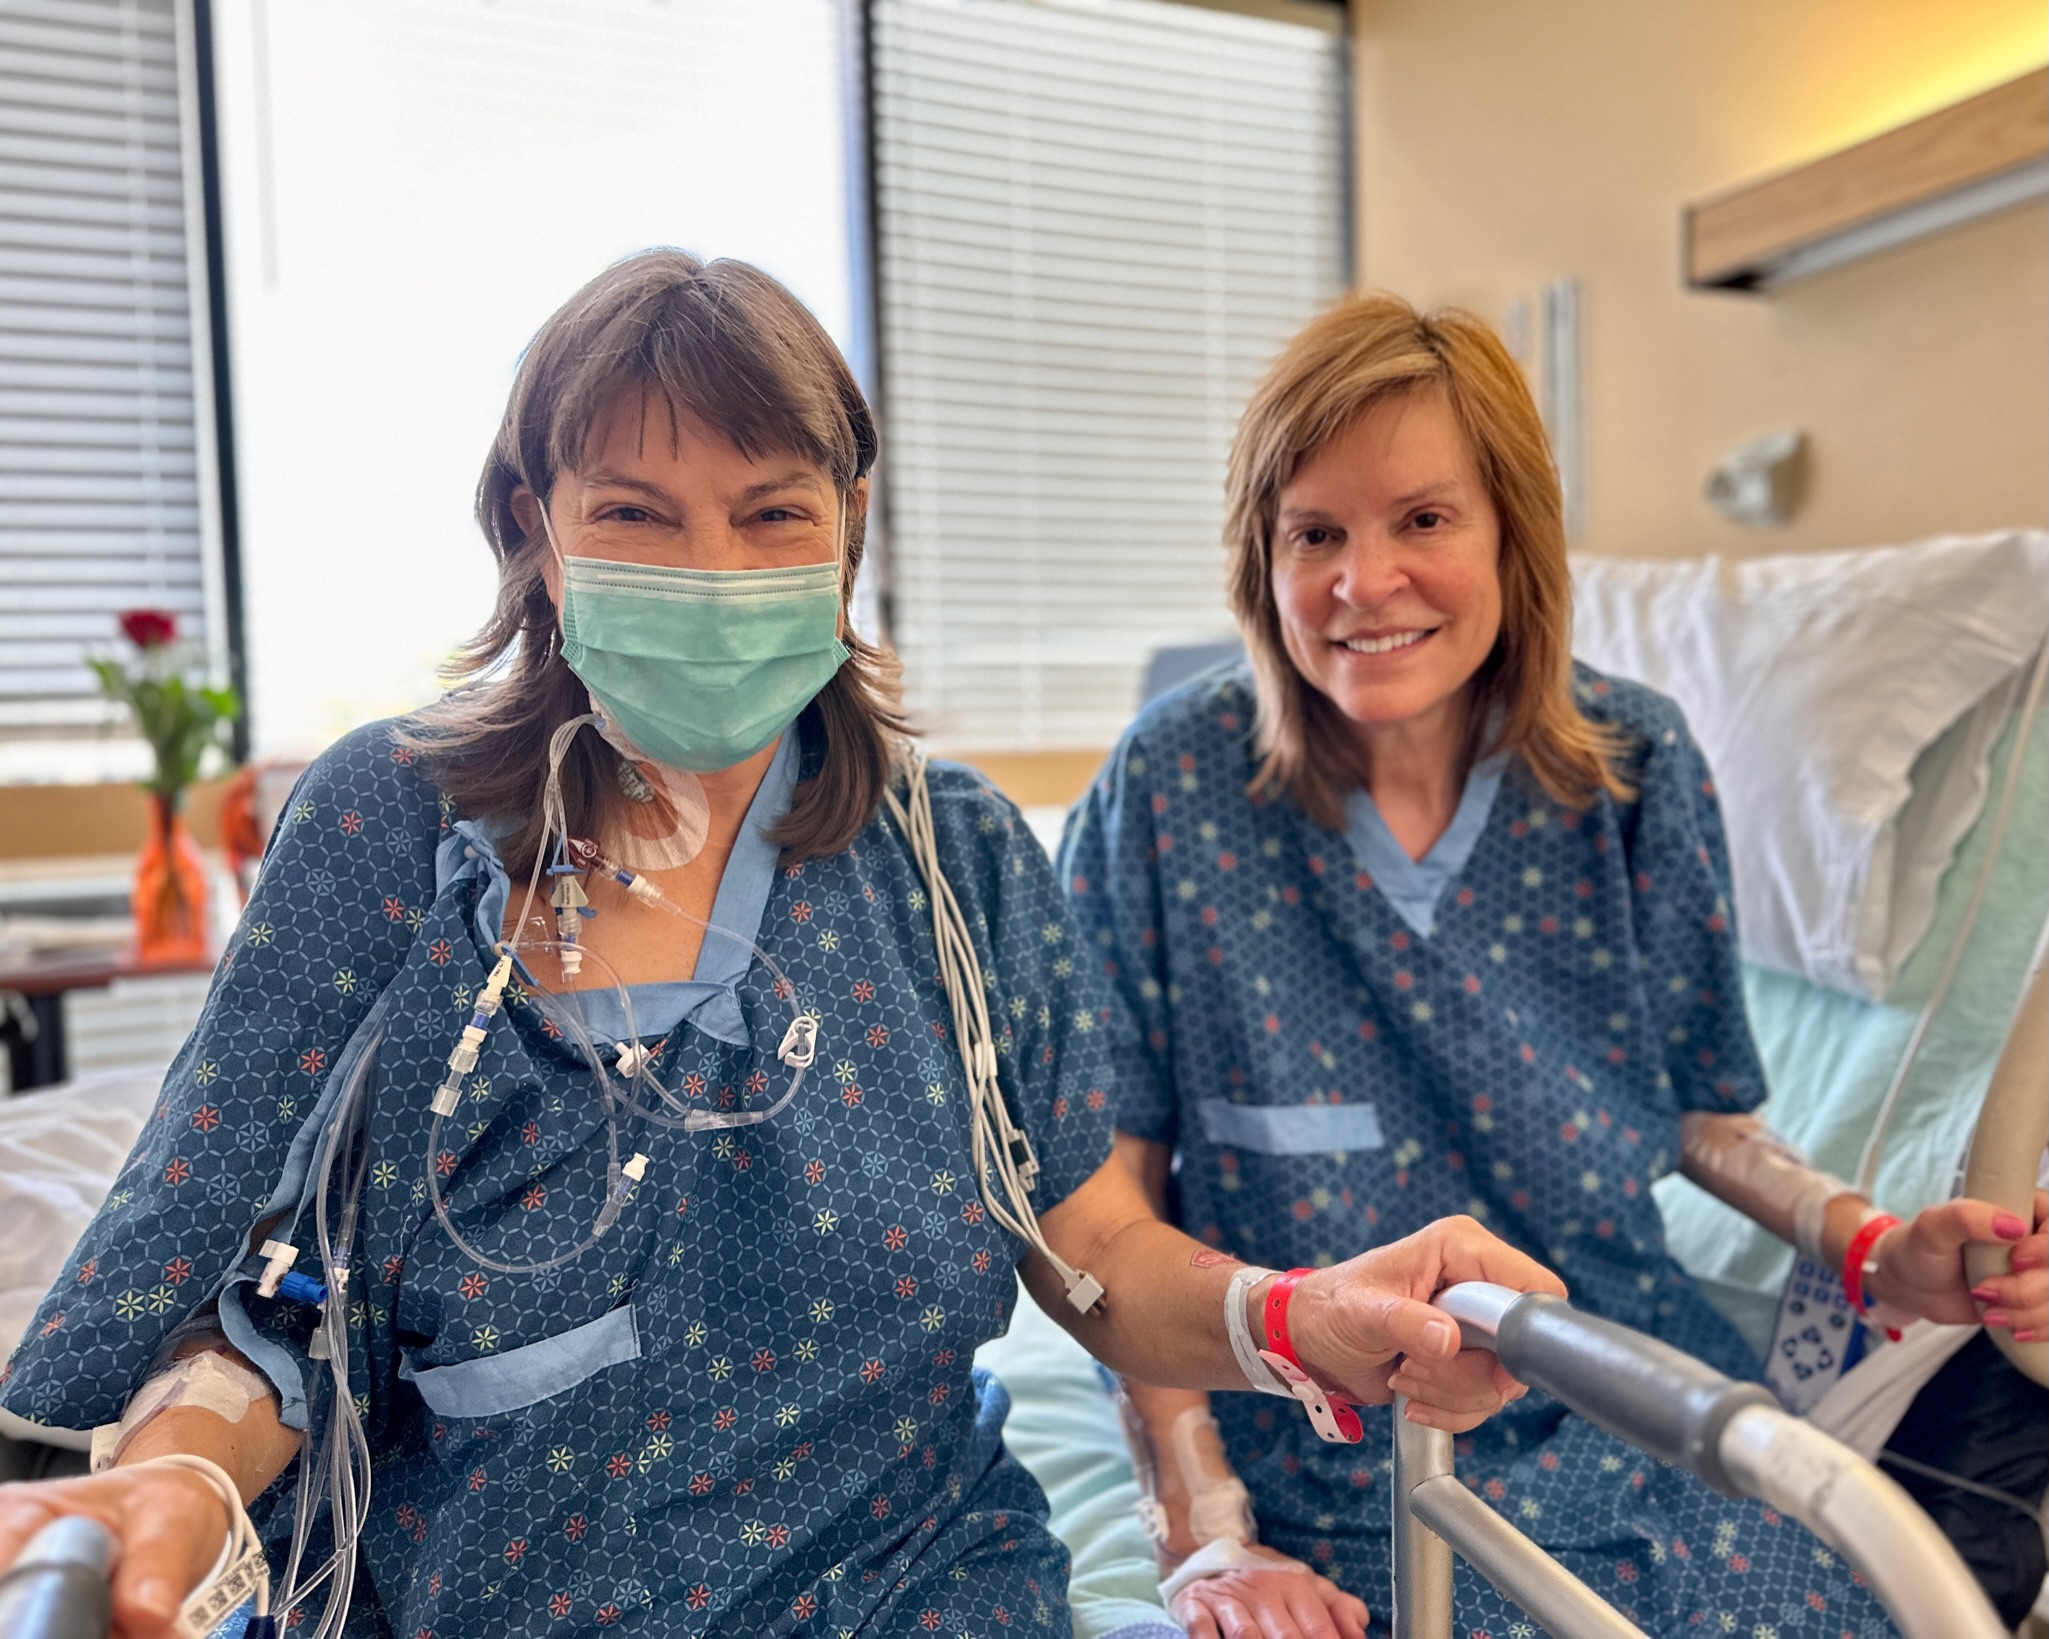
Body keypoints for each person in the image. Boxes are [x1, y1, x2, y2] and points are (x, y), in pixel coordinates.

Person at [0, 256, 1564, 1639]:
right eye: (634, 514)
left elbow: (1090, 1255)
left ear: (847, 533)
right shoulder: (396, 829)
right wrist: (183, 1474)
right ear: (534, 531)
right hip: (487, 1593)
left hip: (920, 1583)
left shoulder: (951, 865)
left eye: (772, 516)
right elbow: (253, 1284)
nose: (714, 573)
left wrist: (1295, 1317)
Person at [1060, 292, 2049, 1639]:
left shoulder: (1629, 765)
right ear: (1259, 557)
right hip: (1331, 1412)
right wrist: (1206, 1532)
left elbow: (1704, 1114)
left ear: (1511, 534)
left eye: (1422, 519)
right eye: (1315, 533)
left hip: (1620, 1376)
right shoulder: (1171, 787)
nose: (1364, 583)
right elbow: (1110, 1198)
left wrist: (1874, 1248)